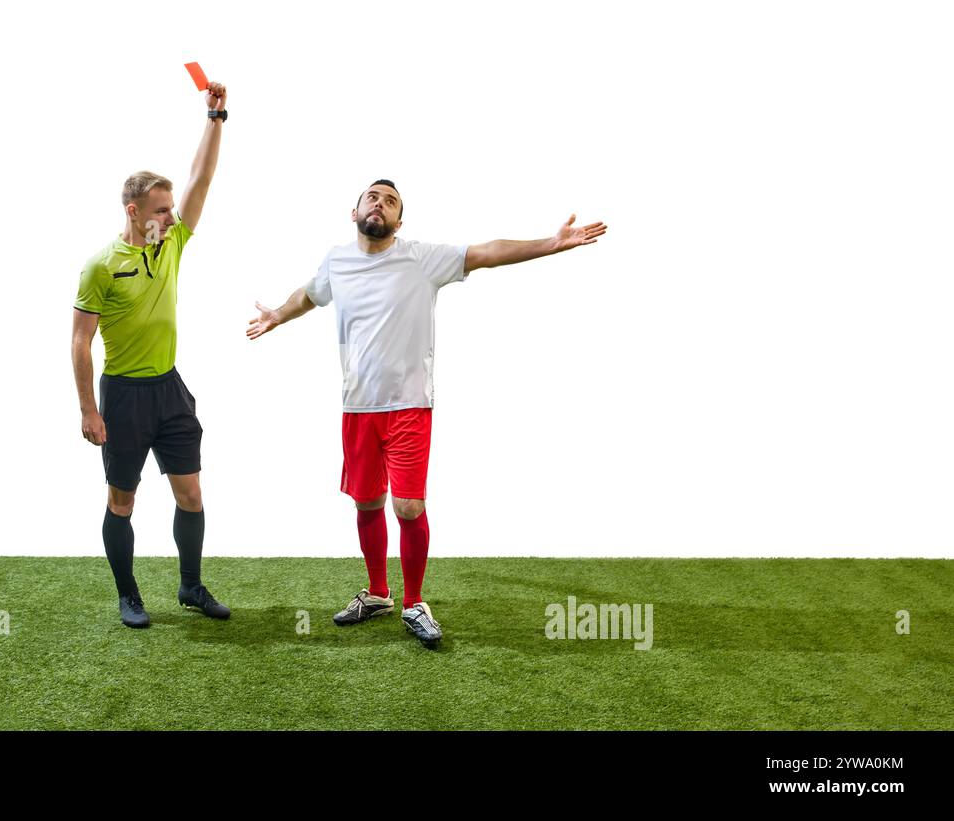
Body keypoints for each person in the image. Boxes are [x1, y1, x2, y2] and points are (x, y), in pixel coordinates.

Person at [247, 180, 607, 647]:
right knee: (367, 502)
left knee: (409, 505)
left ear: (400, 222)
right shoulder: (337, 261)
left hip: (409, 407)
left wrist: (551, 243)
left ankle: (415, 604)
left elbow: (486, 251)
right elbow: (309, 294)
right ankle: (378, 594)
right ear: (353, 211)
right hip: (357, 406)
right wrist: (276, 313)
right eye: (372, 198)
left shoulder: (421, 259)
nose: (380, 203)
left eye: (391, 201)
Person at [71, 81, 232, 628]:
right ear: (134, 210)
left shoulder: (172, 244)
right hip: (123, 396)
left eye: (171, 210)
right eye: (161, 210)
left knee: (190, 493)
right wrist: (89, 410)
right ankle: (128, 596)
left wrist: (216, 117)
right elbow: (79, 340)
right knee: (123, 502)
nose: (170, 216)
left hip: (169, 388)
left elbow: (200, 180)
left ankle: (190, 586)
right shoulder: (99, 265)